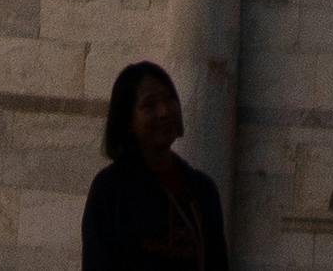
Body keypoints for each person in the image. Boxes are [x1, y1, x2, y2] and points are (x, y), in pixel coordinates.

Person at [85, 61, 229, 271]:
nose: (164, 112)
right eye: (149, 105)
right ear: (128, 119)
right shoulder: (110, 190)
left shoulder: (201, 189)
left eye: (170, 99)